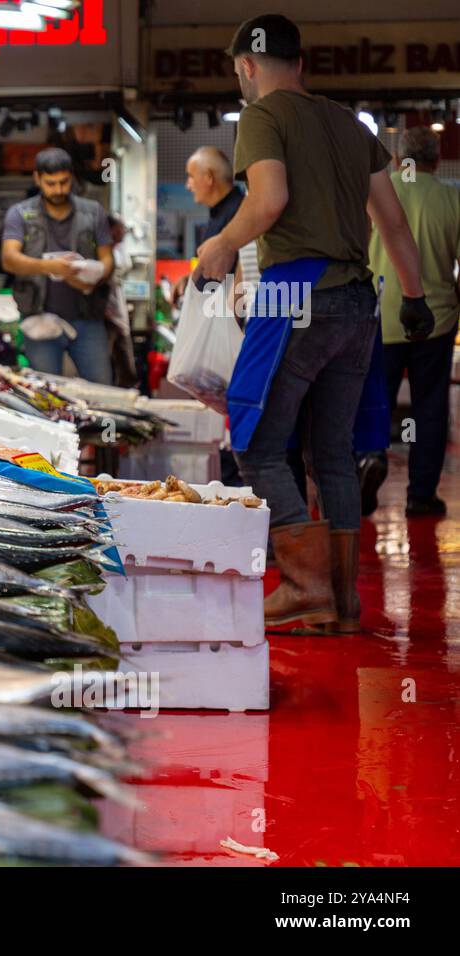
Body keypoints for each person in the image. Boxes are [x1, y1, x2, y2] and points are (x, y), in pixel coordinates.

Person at [194, 14, 432, 634]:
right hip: (360, 300)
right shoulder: (352, 126)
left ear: (246, 66)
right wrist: (413, 297)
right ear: (300, 62)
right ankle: (342, 604)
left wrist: (220, 245)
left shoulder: (262, 117)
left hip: (293, 293)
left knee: (254, 441)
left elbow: (268, 201)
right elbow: (394, 224)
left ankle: (303, 588)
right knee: (332, 451)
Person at [362, 127, 460, 518]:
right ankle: (421, 495)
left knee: (374, 403)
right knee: (428, 408)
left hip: (381, 318)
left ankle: (370, 462)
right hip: (435, 320)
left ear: (400, 160)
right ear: (437, 160)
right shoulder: (451, 198)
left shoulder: (379, 191)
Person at [0, 147, 114, 384]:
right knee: (46, 392)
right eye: (51, 183)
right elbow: (9, 258)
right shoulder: (20, 214)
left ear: (71, 176)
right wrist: (50, 267)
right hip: (40, 320)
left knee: (103, 390)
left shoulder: (93, 213)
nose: (58, 190)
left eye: (63, 182)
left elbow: (108, 261)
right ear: (37, 178)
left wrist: (91, 278)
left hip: (88, 319)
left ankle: (105, 424)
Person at [172, 147, 245, 306]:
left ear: (209, 177)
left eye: (191, 176)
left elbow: (243, 270)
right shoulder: (219, 213)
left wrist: (231, 314)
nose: (188, 185)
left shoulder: (240, 213)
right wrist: (189, 280)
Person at [106, 213, 138, 387]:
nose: (123, 233)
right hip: (104, 313)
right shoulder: (102, 250)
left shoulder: (120, 249)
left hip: (118, 307)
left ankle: (129, 387)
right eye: (120, 229)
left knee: (124, 353)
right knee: (106, 360)